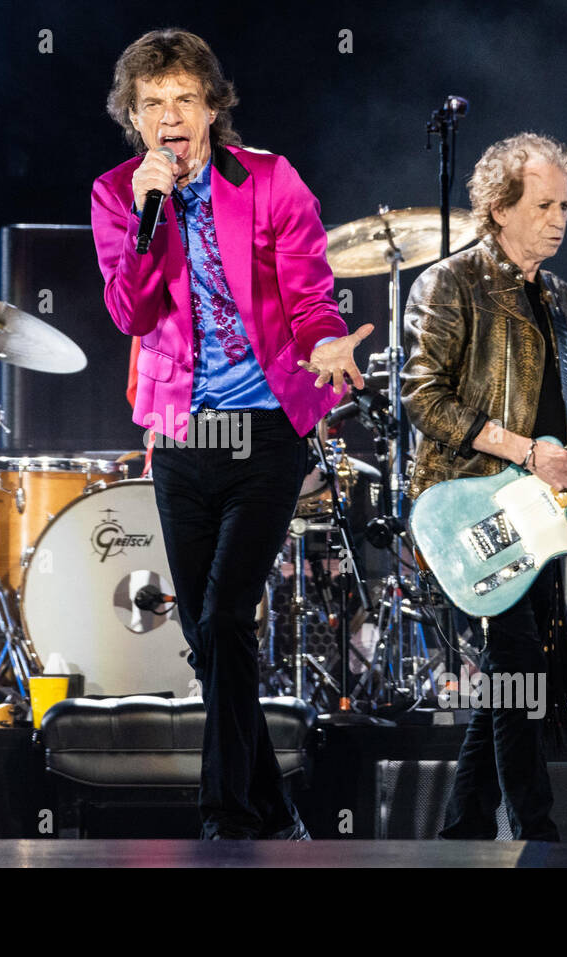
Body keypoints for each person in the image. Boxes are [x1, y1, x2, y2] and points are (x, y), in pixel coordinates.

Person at [90, 28, 371, 840]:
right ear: (135, 119)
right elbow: (131, 312)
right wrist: (151, 210)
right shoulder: (117, 195)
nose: (170, 117)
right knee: (203, 630)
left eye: (184, 99)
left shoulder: (272, 181)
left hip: (267, 428)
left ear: (214, 106)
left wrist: (324, 340)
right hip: (181, 430)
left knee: (222, 616)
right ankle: (275, 809)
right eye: (152, 105)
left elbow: (312, 292)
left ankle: (225, 817)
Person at [401, 132, 567, 840]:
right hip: (467, 511)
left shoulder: (561, 296)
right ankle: (539, 835)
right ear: (499, 206)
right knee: (518, 666)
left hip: (540, 514)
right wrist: (526, 451)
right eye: (544, 203)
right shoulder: (450, 282)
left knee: (511, 685)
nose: (559, 218)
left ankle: (460, 834)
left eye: (566, 205)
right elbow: (422, 399)